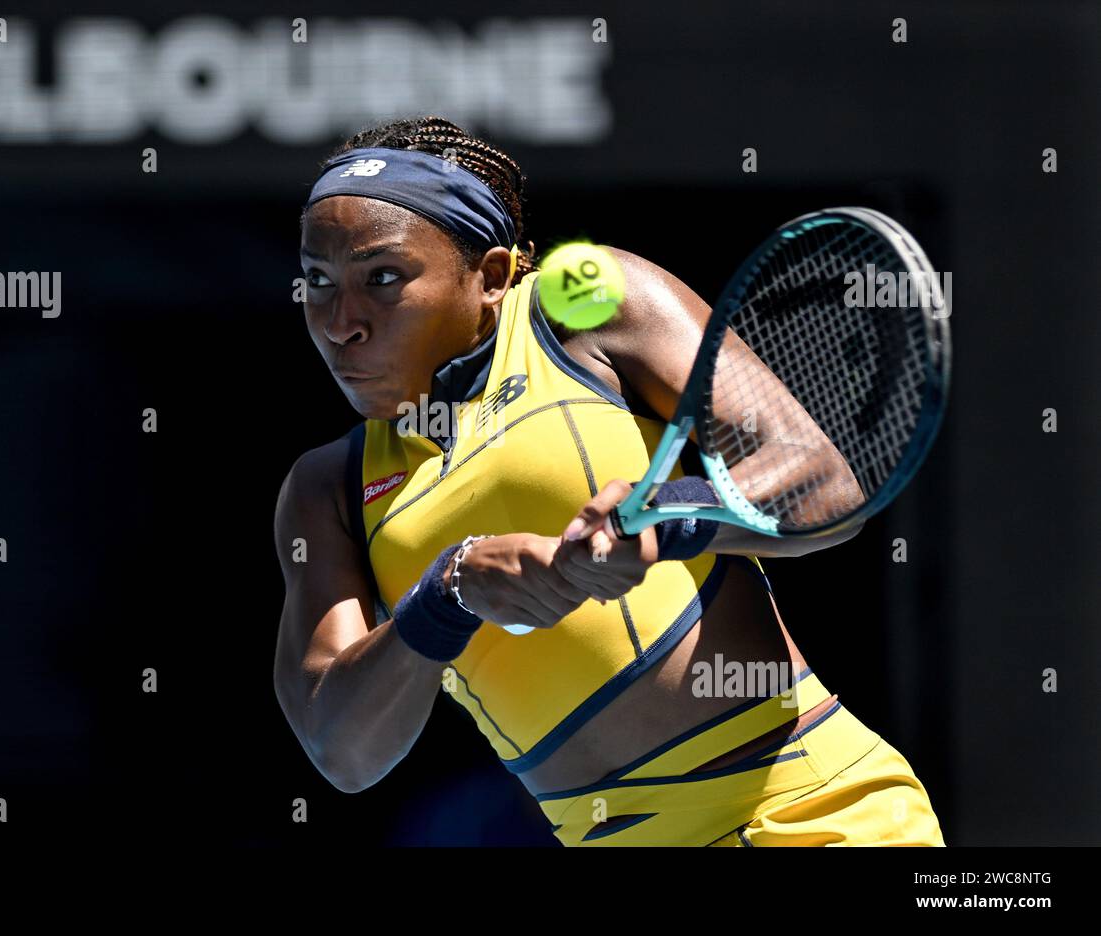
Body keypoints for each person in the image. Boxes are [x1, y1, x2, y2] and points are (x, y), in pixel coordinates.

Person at [273, 115, 944, 846]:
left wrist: (666, 518)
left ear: (491, 277)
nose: (341, 321)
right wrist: (449, 593)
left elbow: (823, 484)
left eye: (383, 278)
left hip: (811, 812)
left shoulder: (585, 307)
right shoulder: (326, 489)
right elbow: (340, 748)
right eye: (317, 281)